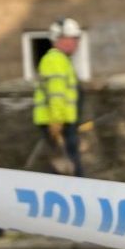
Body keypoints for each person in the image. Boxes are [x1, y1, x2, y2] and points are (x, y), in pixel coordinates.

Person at [31, 17, 84, 176]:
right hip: (59, 125)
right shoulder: (55, 60)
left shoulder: (61, 60)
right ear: (60, 39)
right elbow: (56, 94)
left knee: (64, 168)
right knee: (68, 170)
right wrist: (56, 121)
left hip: (63, 123)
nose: (76, 43)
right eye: (73, 38)